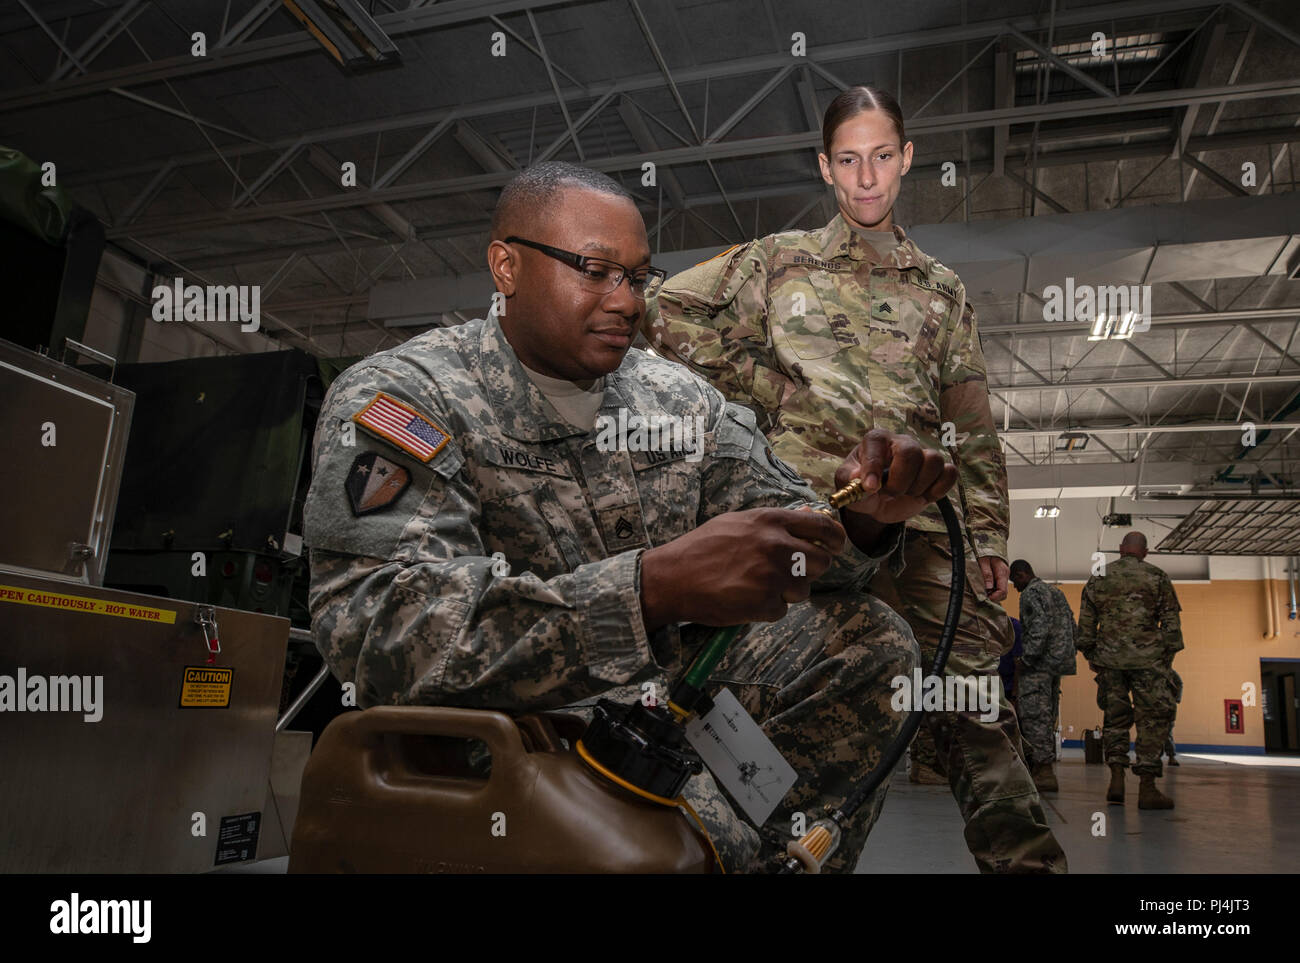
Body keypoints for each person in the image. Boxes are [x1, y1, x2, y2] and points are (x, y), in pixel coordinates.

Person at [302, 161, 961, 874]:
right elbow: (376, 627)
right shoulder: (407, 395)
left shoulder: (680, 403)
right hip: (510, 736)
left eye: (639, 277)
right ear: (506, 266)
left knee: (872, 644)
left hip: (664, 719)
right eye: (595, 270)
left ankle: (762, 858)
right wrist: (649, 591)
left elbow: (794, 538)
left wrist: (863, 519)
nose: (627, 302)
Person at [641, 85, 1065, 873]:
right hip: (817, 513)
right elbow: (661, 311)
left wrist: (993, 536)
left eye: (880, 157)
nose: (866, 177)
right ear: (825, 168)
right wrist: (776, 393)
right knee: (784, 690)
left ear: (905, 161)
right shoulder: (777, 261)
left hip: (927, 528)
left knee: (972, 708)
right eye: (847, 160)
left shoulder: (942, 289)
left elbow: (971, 424)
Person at [1078, 532, 1183, 809]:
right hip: (1149, 661)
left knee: (1114, 719)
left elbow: (1086, 625)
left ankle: (1116, 778)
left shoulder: (1099, 576)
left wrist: (1093, 654)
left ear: (1121, 550)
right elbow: (1171, 626)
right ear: (1144, 552)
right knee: (1152, 719)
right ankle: (1147, 788)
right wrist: (1164, 660)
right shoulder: (1157, 576)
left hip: (1110, 661)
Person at [1009, 560, 1079, 793]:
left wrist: (1026, 659)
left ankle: (1043, 771)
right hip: (1056, 665)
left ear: (1022, 574)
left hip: (1037, 666)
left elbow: (1039, 628)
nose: (1014, 586)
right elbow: (1072, 626)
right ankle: (1042, 767)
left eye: (1014, 580)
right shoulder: (1056, 593)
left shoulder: (1031, 593)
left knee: (1034, 715)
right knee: (1047, 715)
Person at [1163, 666, 1183, 766]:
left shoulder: (1169, 671)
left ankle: (1171, 756)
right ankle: (1148, 759)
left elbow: (1179, 683)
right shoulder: (1147, 669)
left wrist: (1176, 699)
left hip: (1167, 705)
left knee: (1167, 732)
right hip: (1150, 705)